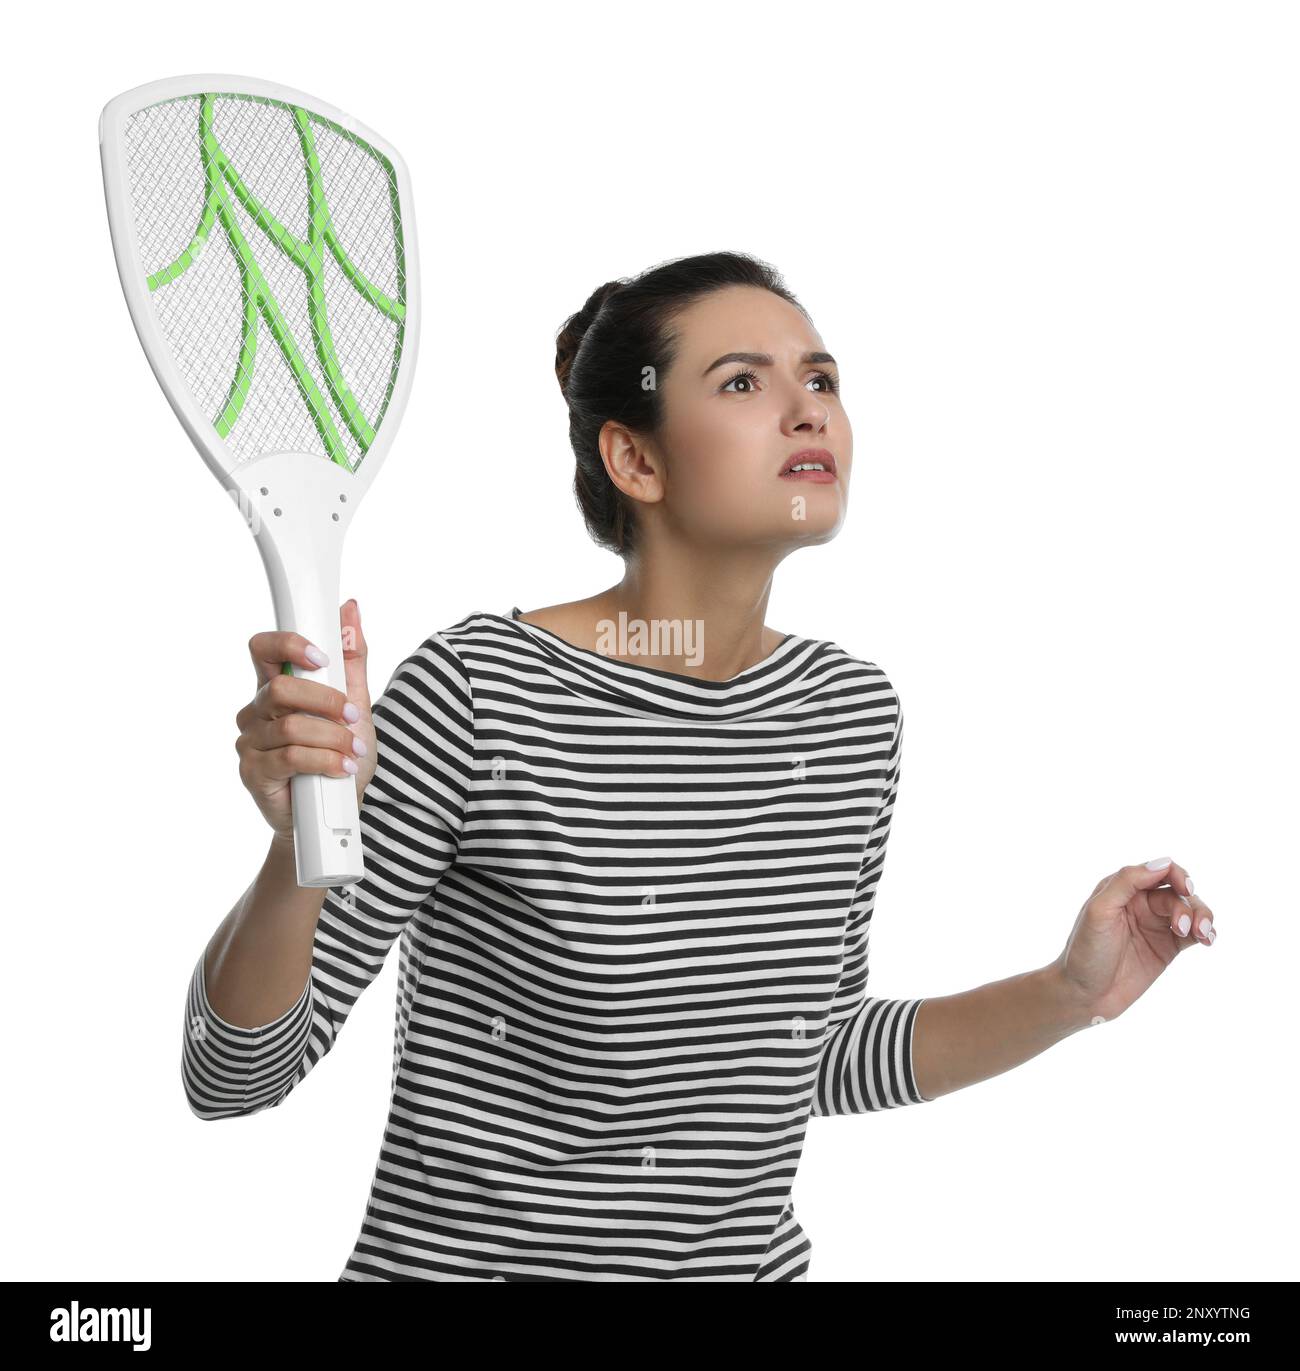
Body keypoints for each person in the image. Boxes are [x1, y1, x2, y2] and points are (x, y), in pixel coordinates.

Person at [184, 250, 1218, 1282]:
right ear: (635, 462)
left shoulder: (849, 715)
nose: (808, 410)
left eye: (820, 379)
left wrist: (1068, 991)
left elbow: (812, 1055)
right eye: (741, 383)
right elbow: (236, 1075)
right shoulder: (480, 692)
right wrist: (294, 848)